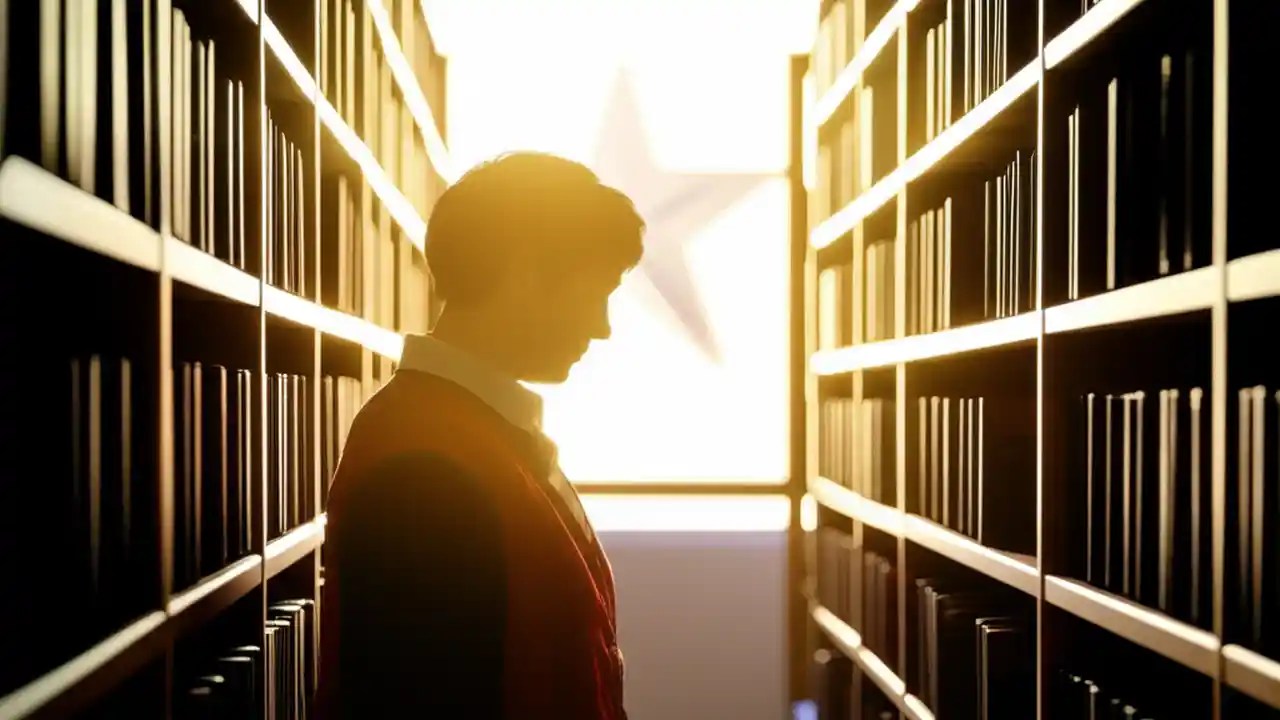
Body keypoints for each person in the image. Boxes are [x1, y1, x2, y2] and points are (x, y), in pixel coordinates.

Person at [316, 152, 645, 719]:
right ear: (524, 273)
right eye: (597, 291)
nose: (603, 326)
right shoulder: (425, 462)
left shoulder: (471, 432)